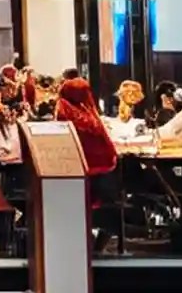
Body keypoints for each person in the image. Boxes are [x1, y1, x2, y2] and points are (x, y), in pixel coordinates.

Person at [56, 77, 121, 251]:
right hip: (93, 172)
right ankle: (98, 247)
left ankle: (91, 245)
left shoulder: (66, 109)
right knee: (110, 208)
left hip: (78, 172)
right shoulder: (81, 115)